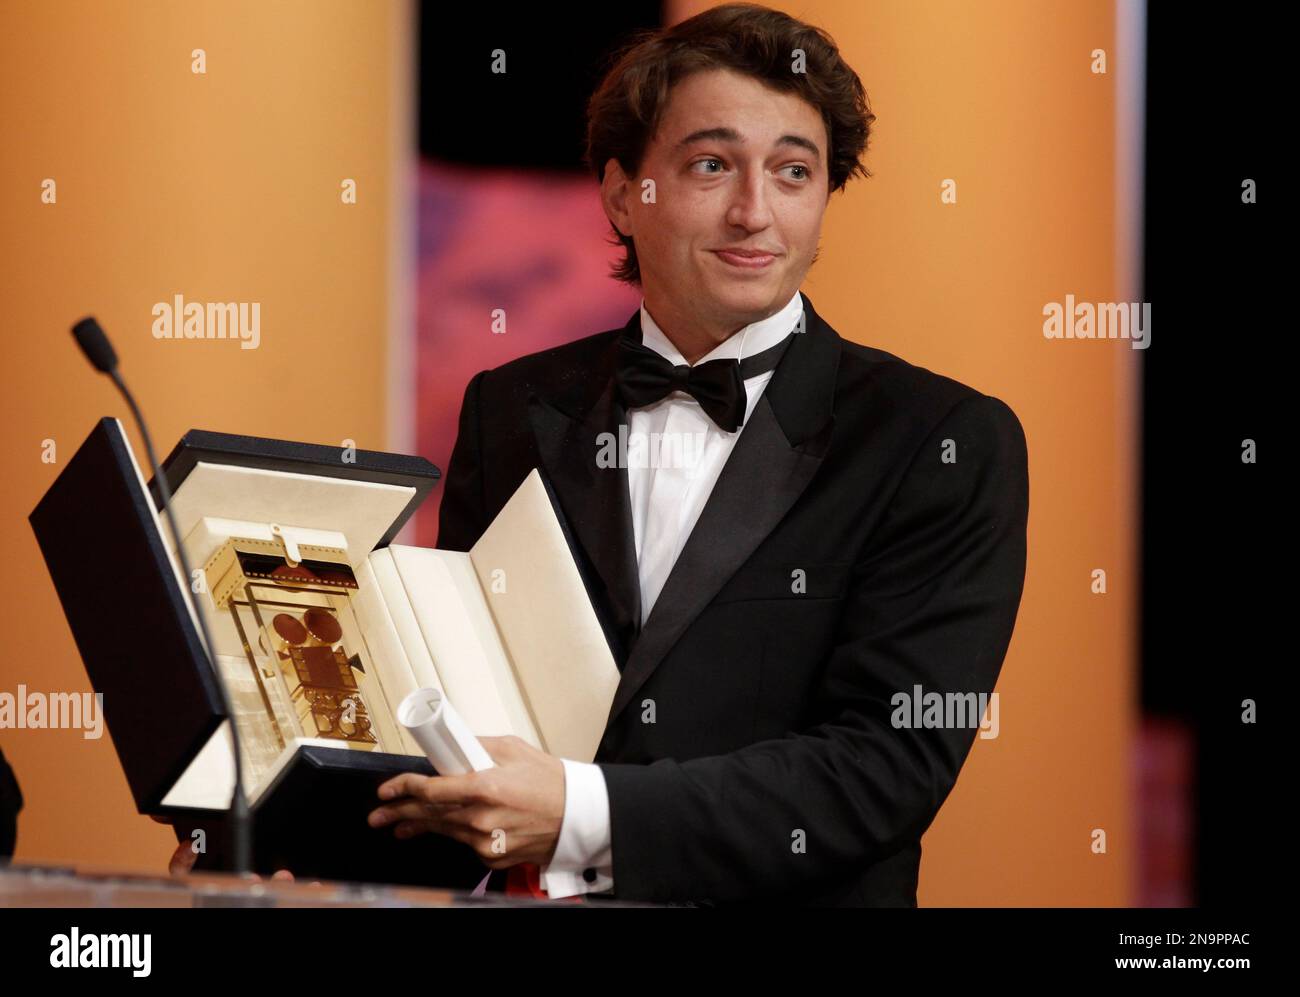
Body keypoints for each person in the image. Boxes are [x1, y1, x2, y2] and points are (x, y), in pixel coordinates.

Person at [363, 3, 1029, 906]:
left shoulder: (940, 440)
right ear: (619, 194)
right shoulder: (510, 408)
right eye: (712, 164)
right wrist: (290, 854)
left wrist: (581, 810)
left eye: (794, 172)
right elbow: (466, 707)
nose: (755, 212)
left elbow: (884, 766)